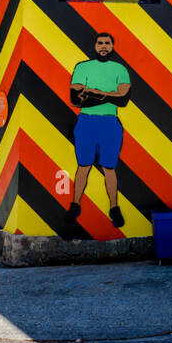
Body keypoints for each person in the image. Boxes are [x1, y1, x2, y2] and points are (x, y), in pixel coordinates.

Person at [67, 32, 131, 229]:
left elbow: (123, 99)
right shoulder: (82, 67)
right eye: (100, 43)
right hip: (86, 122)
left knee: (109, 168)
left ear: (112, 46)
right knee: (83, 165)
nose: (104, 46)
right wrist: (109, 95)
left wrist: (93, 92)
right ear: (94, 45)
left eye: (107, 43)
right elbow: (76, 99)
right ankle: (75, 204)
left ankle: (114, 207)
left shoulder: (120, 69)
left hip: (110, 124)